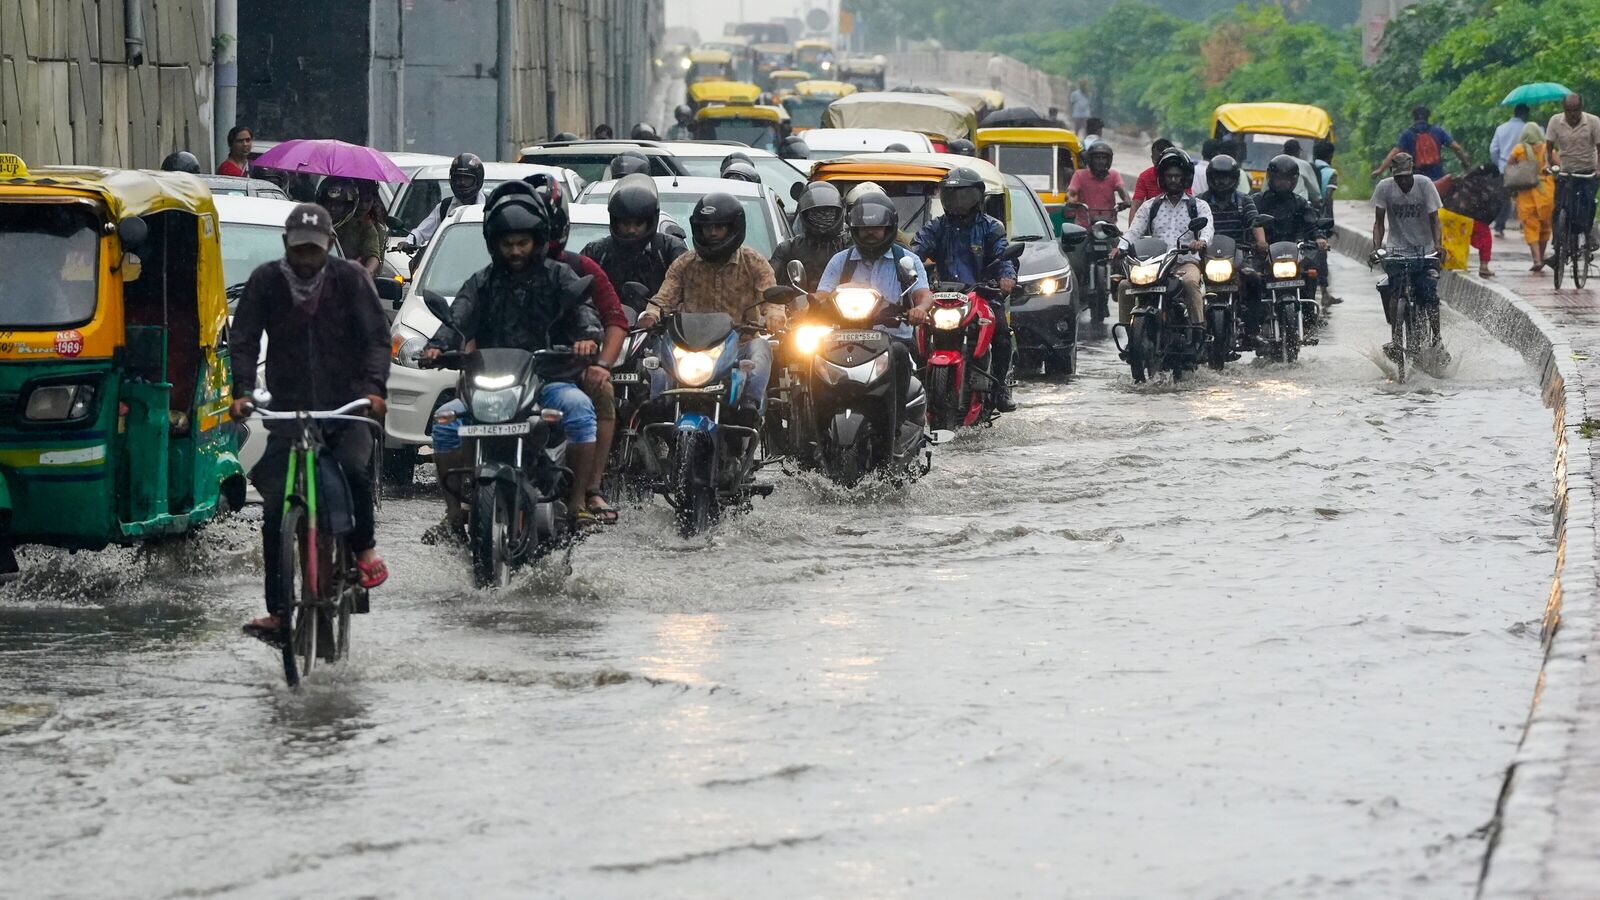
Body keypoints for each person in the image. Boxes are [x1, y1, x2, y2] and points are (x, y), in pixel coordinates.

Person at [229, 202, 390, 641]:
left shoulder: (351, 280)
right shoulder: (265, 281)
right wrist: (241, 391)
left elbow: (377, 339)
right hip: (291, 409)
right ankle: (280, 614)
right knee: (275, 511)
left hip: (347, 407)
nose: (306, 258)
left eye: (314, 250)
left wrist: (374, 389)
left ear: (329, 245)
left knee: (353, 469)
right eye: (299, 249)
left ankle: (363, 550)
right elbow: (243, 339)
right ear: (286, 245)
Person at [420, 187, 606, 530]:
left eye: (522, 243)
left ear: (538, 240)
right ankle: (453, 513)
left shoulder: (560, 276)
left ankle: (577, 504)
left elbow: (585, 312)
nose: (516, 251)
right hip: (489, 383)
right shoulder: (481, 282)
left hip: (548, 378)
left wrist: (587, 338)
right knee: (445, 422)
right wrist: (437, 346)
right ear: (495, 244)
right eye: (508, 244)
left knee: (580, 410)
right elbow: (458, 317)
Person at [522, 174, 630, 525]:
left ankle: (589, 488)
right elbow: (472, 319)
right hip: (512, 370)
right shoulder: (496, 273)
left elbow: (614, 320)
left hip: (568, 370)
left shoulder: (580, 269)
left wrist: (601, 364)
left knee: (601, 393)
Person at [638, 193, 782, 418]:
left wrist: (774, 315)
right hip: (689, 349)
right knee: (658, 355)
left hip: (739, 346)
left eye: (719, 227)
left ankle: (749, 406)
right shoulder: (684, 263)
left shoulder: (754, 262)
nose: (712, 233)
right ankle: (658, 409)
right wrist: (652, 314)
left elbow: (771, 296)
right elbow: (664, 298)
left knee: (761, 349)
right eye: (707, 228)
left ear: (734, 228)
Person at [912, 166, 1018, 411]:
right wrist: (904, 267)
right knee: (914, 330)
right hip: (942, 296)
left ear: (978, 196)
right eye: (952, 195)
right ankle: (915, 383)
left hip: (982, 295)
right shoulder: (936, 227)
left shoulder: (992, 227)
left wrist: (1006, 277)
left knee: (1002, 333)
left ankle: (1000, 387)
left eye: (965, 195)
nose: (958, 201)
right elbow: (916, 251)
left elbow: (1004, 256)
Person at [815, 193, 935, 407]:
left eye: (877, 227)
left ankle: (897, 420)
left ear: (889, 228)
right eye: (864, 228)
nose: (870, 232)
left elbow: (923, 294)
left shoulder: (907, 260)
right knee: (808, 356)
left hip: (893, 340)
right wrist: (804, 304)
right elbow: (821, 296)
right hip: (843, 341)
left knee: (899, 354)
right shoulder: (840, 261)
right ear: (854, 229)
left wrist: (920, 309)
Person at [1114, 149, 1213, 328]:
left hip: (1184, 262)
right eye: (1169, 176)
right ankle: (1129, 332)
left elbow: (1208, 229)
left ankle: (1198, 328)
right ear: (1162, 178)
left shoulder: (1199, 206)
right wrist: (1121, 247)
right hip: (1154, 266)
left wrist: (1202, 242)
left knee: (1190, 283)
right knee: (1124, 286)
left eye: (1177, 176)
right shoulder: (1150, 206)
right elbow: (1134, 231)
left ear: (1185, 178)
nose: (1173, 180)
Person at [1371, 152, 1443, 357]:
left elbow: (1435, 220)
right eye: (1398, 177)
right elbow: (1379, 223)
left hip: (1425, 249)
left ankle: (1437, 340)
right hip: (1397, 249)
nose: (1402, 181)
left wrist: (1438, 245)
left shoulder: (1425, 185)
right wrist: (1377, 247)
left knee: (1429, 294)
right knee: (1395, 291)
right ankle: (1395, 340)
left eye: (1405, 177)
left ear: (1412, 172)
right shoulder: (1384, 188)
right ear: (1393, 175)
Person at [581, 173, 689, 297]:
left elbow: (690, 288)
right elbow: (574, 286)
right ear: (616, 222)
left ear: (650, 222)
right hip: (606, 309)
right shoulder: (597, 252)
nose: (631, 230)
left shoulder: (669, 249)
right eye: (626, 223)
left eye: (638, 223)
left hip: (658, 309)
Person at [1197, 153, 1268, 336]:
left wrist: (1261, 242)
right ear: (1210, 178)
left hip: (1238, 256)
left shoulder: (1244, 201)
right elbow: (1190, 226)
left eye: (1226, 177)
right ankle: (1190, 329)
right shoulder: (1200, 202)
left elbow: (1256, 222)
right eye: (1217, 177)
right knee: (1186, 282)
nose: (1221, 182)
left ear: (1234, 178)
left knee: (1254, 279)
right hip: (1205, 256)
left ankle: (1253, 330)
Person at [772, 182, 851, 293]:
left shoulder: (852, 247)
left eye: (828, 212)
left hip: (847, 302)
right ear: (804, 215)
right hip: (802, 302)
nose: (823, 217)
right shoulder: (787, 250)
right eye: (816, 213)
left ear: (839, 213)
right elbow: (769, 283)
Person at [1546, 93, 1600, 248]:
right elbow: (1548, 148)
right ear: (1563, 109)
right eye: (1568, 110)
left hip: (1588, 170)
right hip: (1566, 170)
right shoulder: (1555, 121)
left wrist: (1598, 169)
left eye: (1576, 110)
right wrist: (1547, 164)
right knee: (1559, 207)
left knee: (1588, 203)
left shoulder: (1593, 122)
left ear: (1581, 108)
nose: (1572, 114)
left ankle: (1589, 234)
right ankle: (1558, 245)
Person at [403, 153, 487, 251]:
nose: (462, 183)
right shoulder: (444, 207)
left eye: (467, 179)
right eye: (458, 179)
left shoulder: (491, 207)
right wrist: (408, 242)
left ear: (478, 180)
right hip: (450, 257)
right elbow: (421, 232)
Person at [1374, 105, 1471, 181]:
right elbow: (1456, 148)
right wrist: (1465, 163)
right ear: (1428, 117)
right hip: (1438, 178)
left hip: (1416, 179)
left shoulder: (1407, 134)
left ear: (1414, 118)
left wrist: (1380, 170)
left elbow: (1394, 153)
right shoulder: (1438, 131)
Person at [1508, 122, 1555, 271]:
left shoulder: (1519, 149)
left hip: (1526, 192)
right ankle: (1541, 255)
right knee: (1545, 226)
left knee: (1530, 226)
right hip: (1546, 191)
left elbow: (1510, 166)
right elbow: (1558, 165)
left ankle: (1537, 259)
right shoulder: (1547, 149)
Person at [317, 177, 383, 276]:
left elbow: (373, 255)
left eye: (338, 204)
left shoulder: (364, 226)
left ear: (349, 205)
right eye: (328, 203)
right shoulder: (310, 221)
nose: (332, 208)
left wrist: (368, 271)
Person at [1066, 140, 1129, 227]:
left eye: (1104, 158)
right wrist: (1071, 201)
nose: (1101, 161)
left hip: (1108, 225)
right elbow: (1071, 193)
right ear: (1090, 159)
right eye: (1097, 158)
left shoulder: (1114, 175)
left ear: (1108, 160)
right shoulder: (1079, 175)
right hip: (1084, 226)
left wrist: (1126, 201)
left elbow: (1122, 189)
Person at [1490, 104, 1530, 237]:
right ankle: (1525, 225)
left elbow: (1493, 150)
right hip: (1523, 168)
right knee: (1524, 197)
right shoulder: (1527, 129)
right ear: (1525, 114)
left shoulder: (1501, 128)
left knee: (1504, 198)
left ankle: (1499, 227)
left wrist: (1499, 164)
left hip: (1505, 168)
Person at [1129, 138, 1178, 224]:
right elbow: (1136, 205)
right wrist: (1131, 230)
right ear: (1152, 158)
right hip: (1151, 224)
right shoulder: (1145, 177)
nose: (1161, 165)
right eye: (1157, 161)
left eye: (1164, 161)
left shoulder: (1181, 177)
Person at [1281, 139, 1322, 205]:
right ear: (1298, 151)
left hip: (1277, 204)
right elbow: (1314, 191)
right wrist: (1317, 200)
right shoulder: (1304, 165)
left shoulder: (1275, 163)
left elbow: (1266, 188)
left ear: (1283, 151)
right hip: (1299, 204)